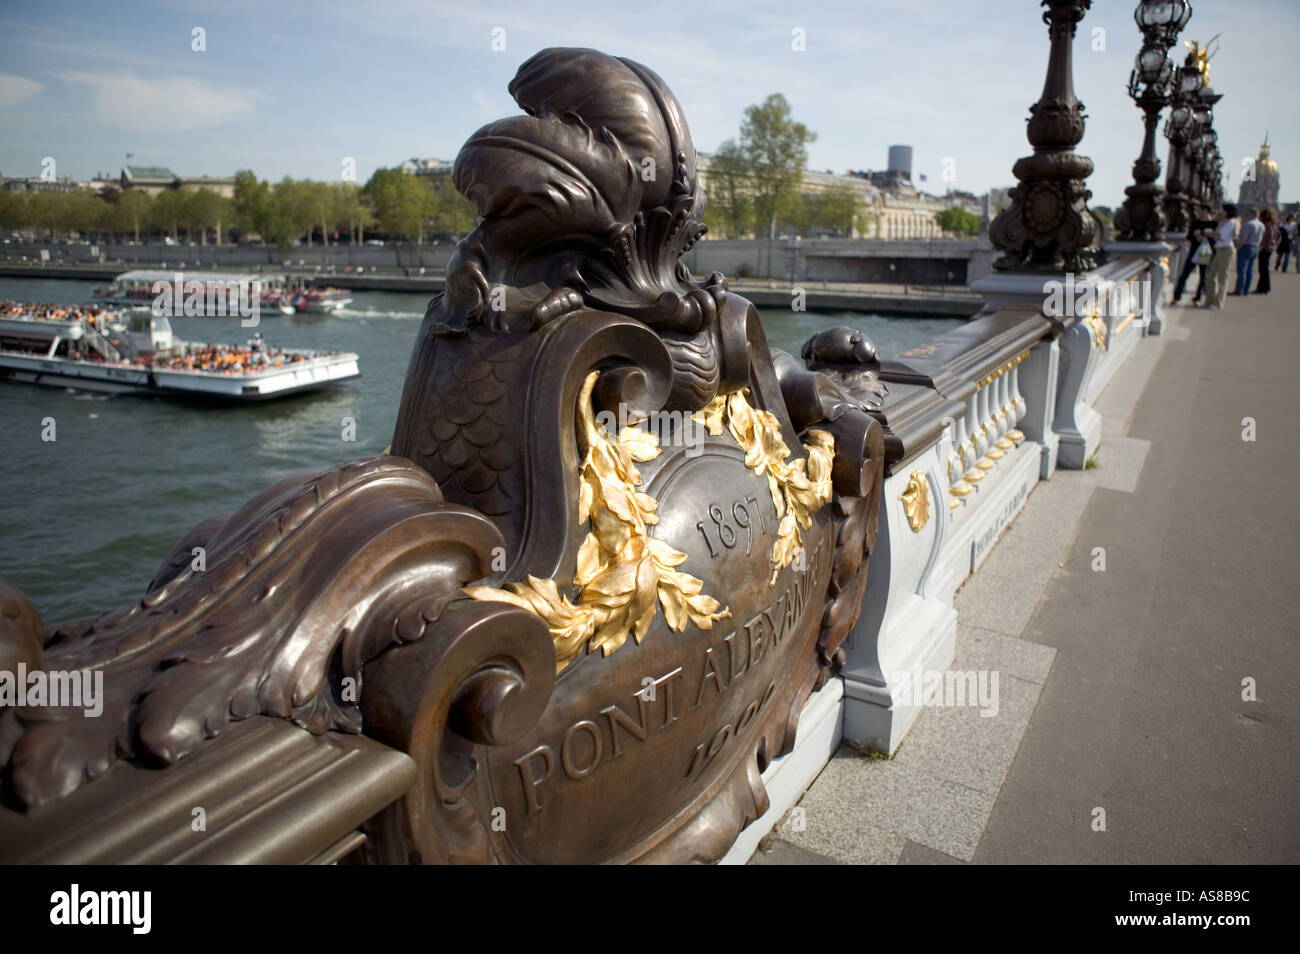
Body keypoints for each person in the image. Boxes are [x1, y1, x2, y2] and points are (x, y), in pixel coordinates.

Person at [1172, 204, 1217, 305]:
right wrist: (1196, 237)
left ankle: (1198, 298)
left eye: (1199, 210)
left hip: (1206, 253)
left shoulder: (1214, 224)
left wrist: (1207, 235)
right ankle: (1176, 297)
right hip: (1194, 251)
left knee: (1203, 276)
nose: (1197, 213)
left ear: (1206, 210)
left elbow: (1216, 239)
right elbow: (1189, 237)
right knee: (1184, 274)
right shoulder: (1196, 223)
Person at [1204, 204, 1239, 310]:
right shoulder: (1224, 222)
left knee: (1222, 278)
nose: (1220, 212)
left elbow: (1221, 237)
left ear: (1227, 212)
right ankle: (1210, 301)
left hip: (1225, 250)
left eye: (1222, 210)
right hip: (1220, 249)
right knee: (1211, 276)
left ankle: (1218, 302)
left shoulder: (1230, 222)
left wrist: (1209, 233)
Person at [1231, 208, 1264, 295]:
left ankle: (1239, 289)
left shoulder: (1249, 224)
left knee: (1241, 270)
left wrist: (1238, 247)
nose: (1246, 216)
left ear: (1252, 214)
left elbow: (1244, 238)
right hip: (1255, 247)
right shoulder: (1261, 225)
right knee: (1250, 270)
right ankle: (1245, 290)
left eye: (1247, 214)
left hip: (1246, 247)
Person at [1254, 208, 1278, 294]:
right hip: (1269, 249)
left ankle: (1264, 288)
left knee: (1263, 269)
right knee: (1264, 269)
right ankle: (1262, 287)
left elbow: (1268, 237)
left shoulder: (1267, 224)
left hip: (1265, 249)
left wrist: (1261, 246)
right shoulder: (1273, 224)